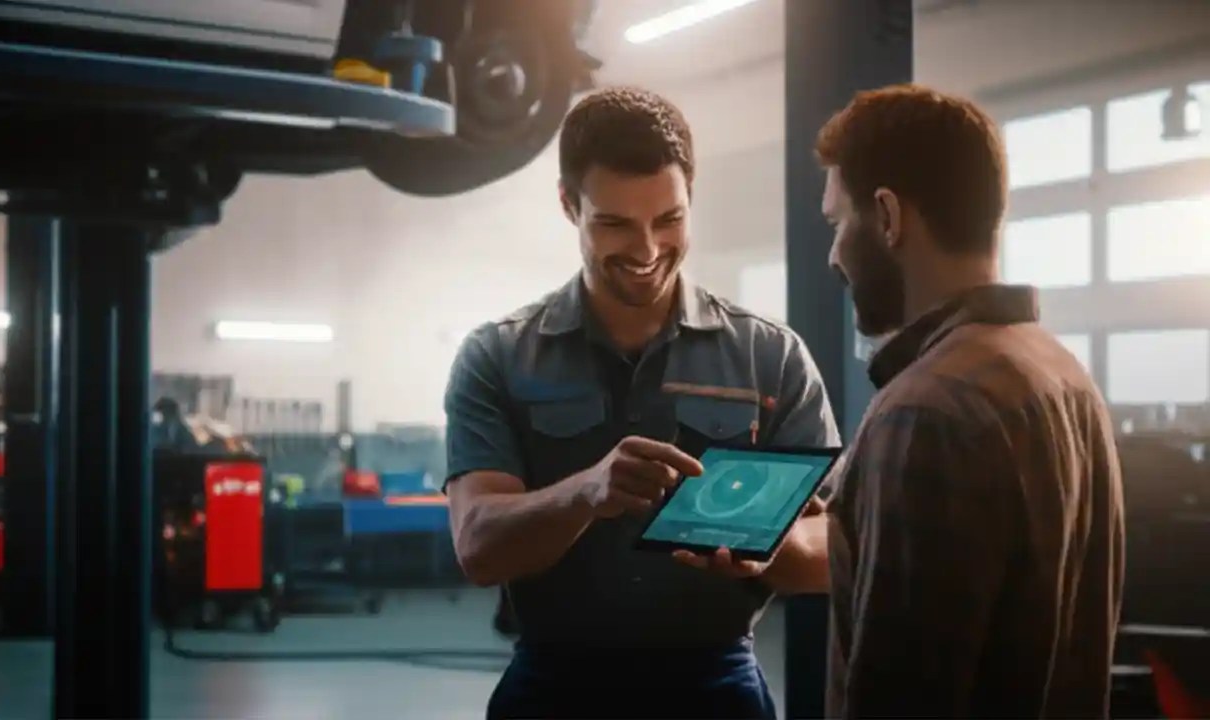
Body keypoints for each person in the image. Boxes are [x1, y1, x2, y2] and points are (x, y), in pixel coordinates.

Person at [442, 86, 840, 720]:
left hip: (717, 683)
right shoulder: (497, 357)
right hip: (554, 684)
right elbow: (478, 546)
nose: (649, 250)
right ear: (569, 205)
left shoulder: (772, 357)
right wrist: (585, 493)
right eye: (615, 224)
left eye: (670, 220)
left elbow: (834, 548)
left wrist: (769, 547)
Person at [814, 84, 1125, 719]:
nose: (834, 254)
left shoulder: (923, 413)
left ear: (889, 217)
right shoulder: (1064, 375)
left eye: (838, 222)